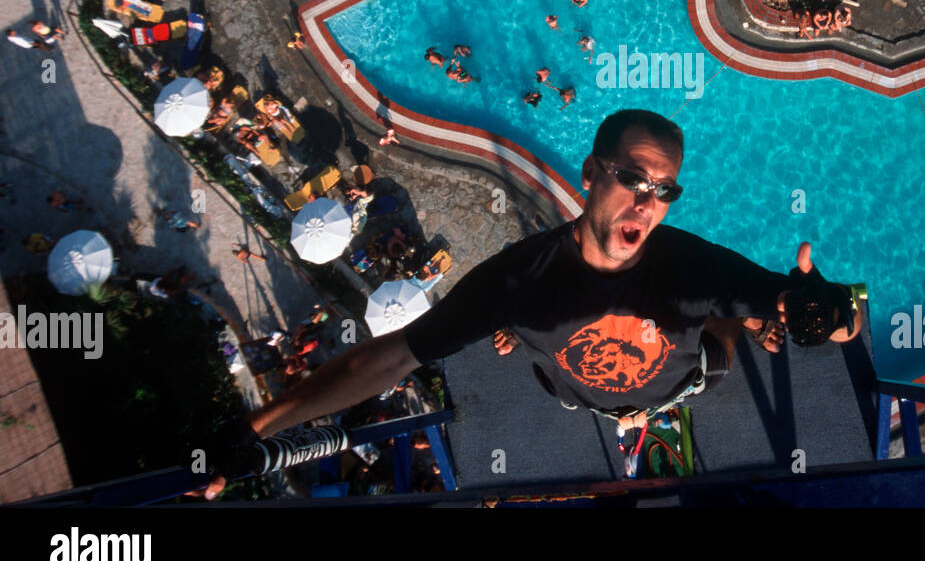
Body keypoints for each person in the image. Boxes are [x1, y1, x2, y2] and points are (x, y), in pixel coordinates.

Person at [220, 111, 861, 478]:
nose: (647, 199)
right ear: (589, 173)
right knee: (605, 386)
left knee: (723, 341)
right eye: (632, 176)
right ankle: (635, 416)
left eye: (665, 189)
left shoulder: (693, 265)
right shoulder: (518, 279)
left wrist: (832, 313)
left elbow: (838, 326)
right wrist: (256, 428)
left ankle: (668, 394)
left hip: (682, 382)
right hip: (579, 394)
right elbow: (388, 358)